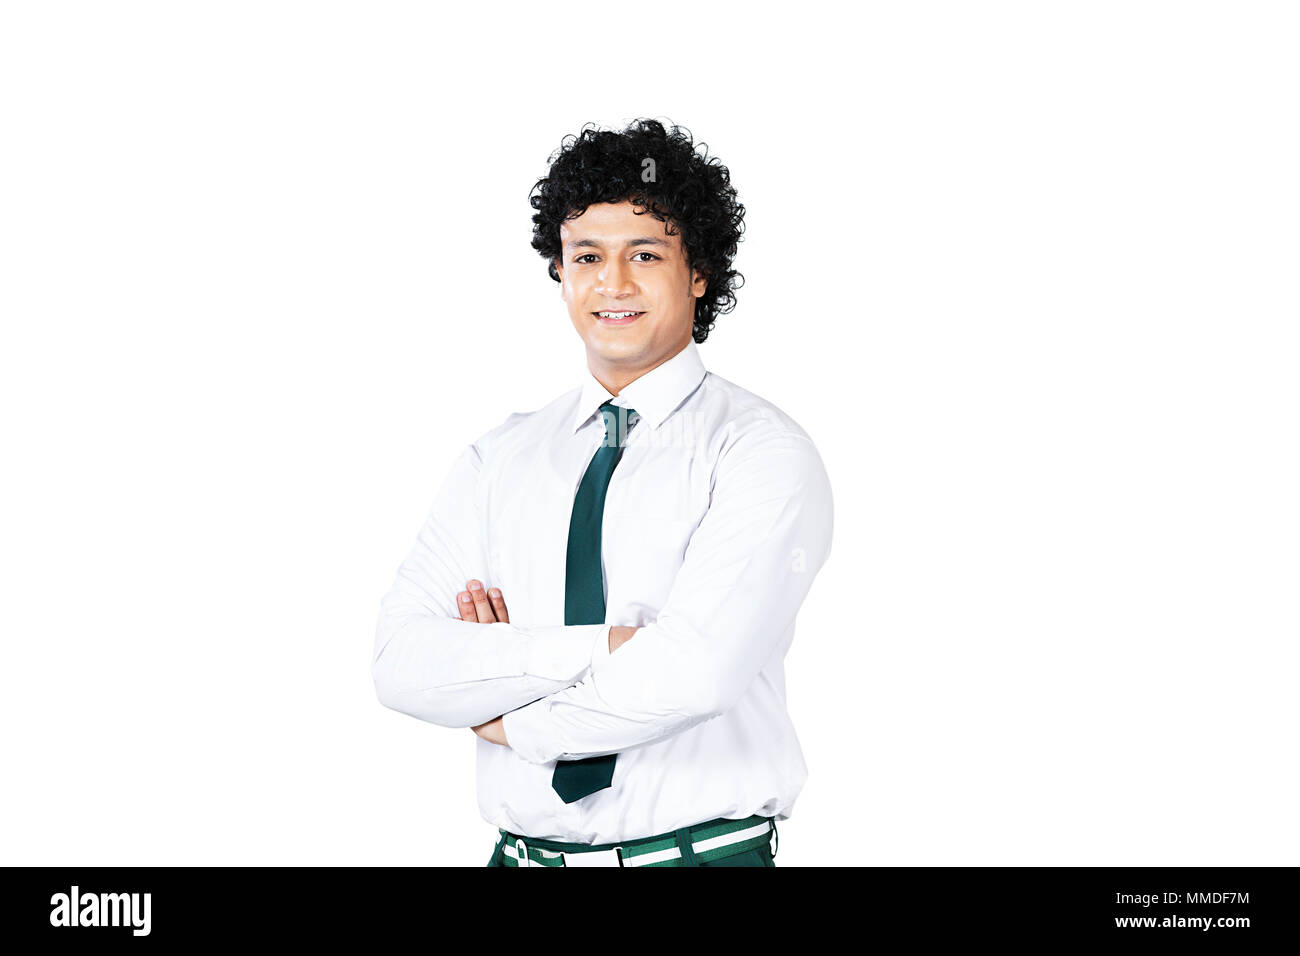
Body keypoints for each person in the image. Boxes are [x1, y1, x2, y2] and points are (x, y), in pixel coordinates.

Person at [372, 118, 833, 867]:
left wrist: (505, 707)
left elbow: (691, 676)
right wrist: (604, 649)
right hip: (519, 857)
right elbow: (399, 662)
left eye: (644, 254)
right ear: (561, 273)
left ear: (699, 272)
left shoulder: (757, 452)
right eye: (587, 256)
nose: (612, 284)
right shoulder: (500, 459)